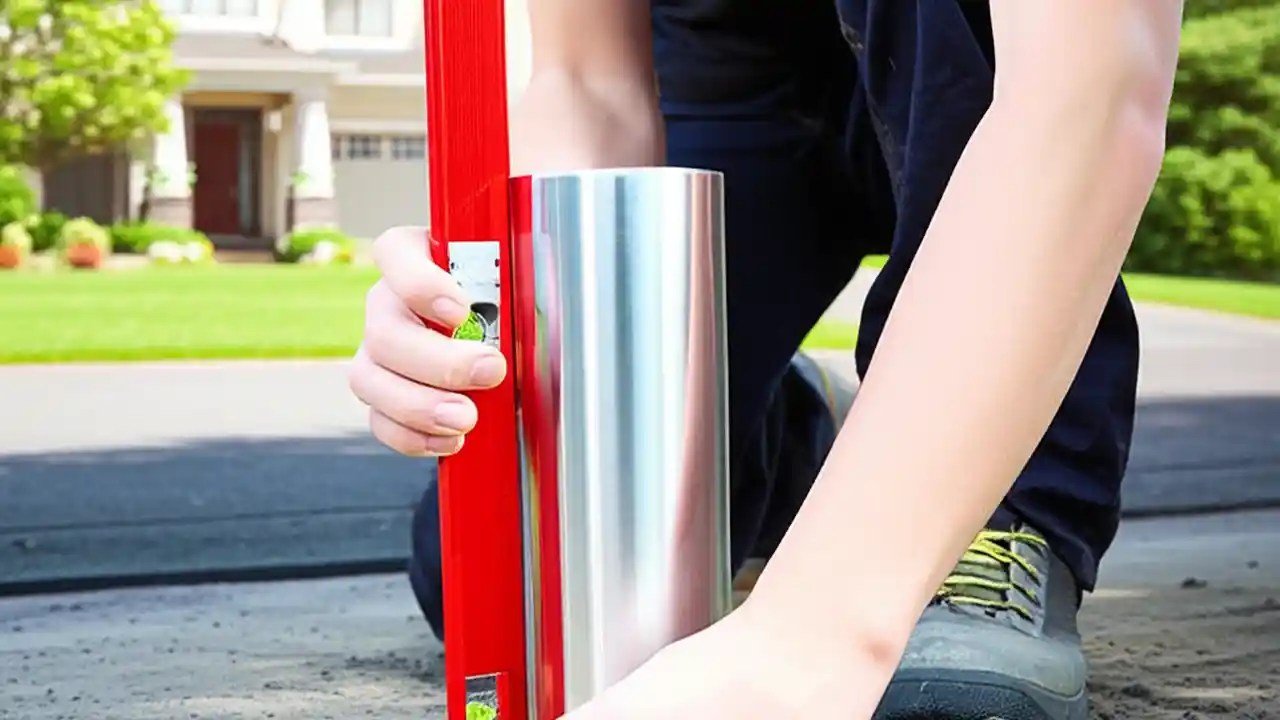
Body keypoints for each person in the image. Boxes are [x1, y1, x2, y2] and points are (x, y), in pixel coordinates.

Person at [347, 1, 1184, 717]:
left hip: (988, 60)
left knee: (941, 682)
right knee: (510, 573)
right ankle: (800, 450)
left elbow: (1087, 89)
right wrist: (487, 316)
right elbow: (587, 83)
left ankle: (994, 510)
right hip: (736, 65)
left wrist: (814, 635)